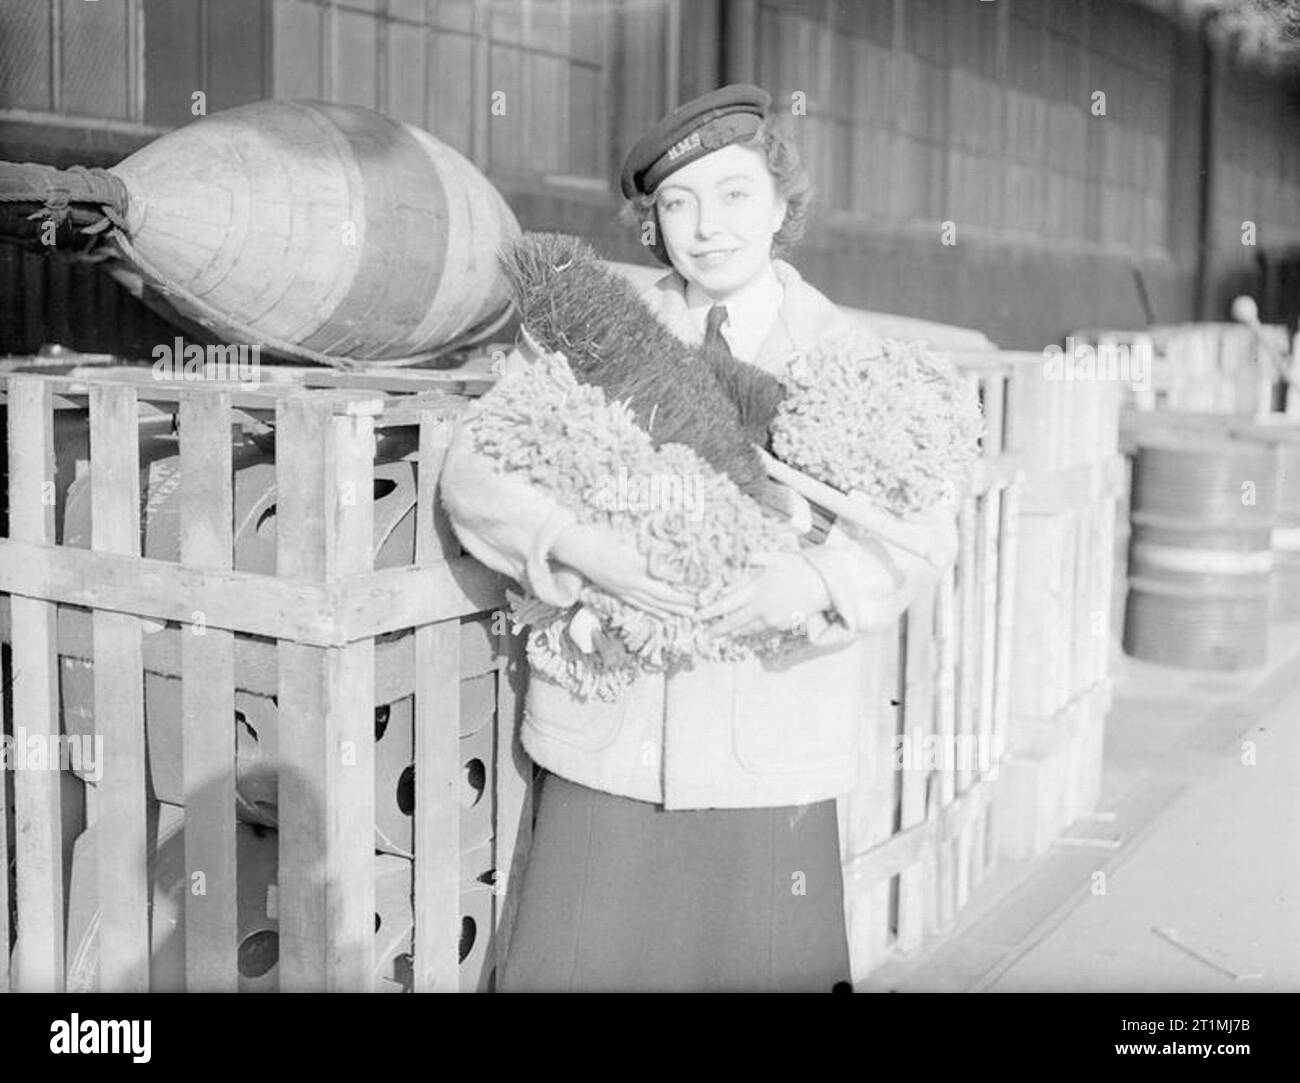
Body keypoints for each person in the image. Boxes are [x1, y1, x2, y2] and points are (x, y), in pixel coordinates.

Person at [437, 84, 958, 992]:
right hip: (608, 741)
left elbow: (923, 532)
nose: (706, 227)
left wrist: (815, 584)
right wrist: (575, 547)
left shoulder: (844, 354)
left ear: (782, 205)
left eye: (733, 196)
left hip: (765, 747)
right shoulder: (592, 328)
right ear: (653, 222)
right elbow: (474, 472)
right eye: (678, 204)